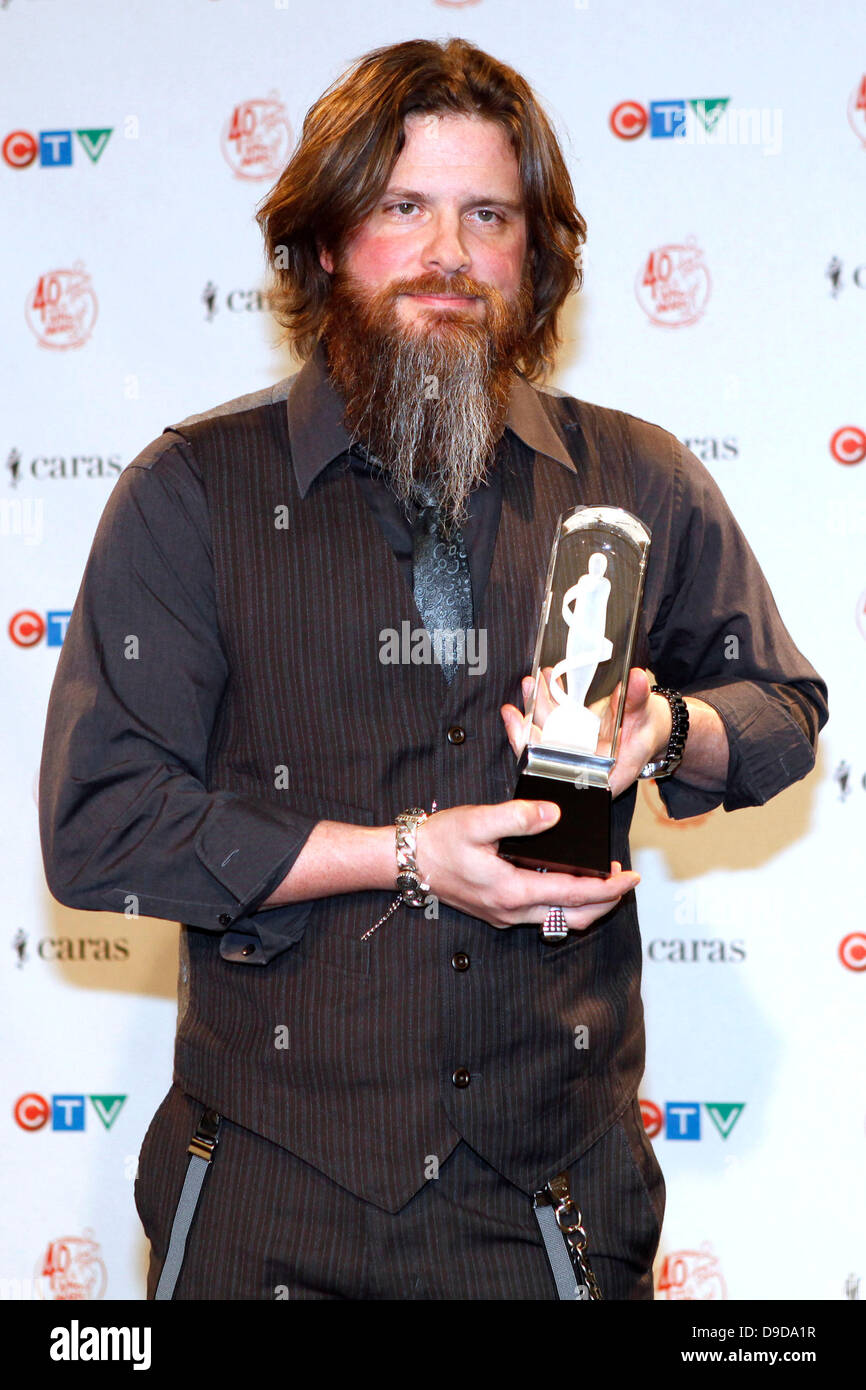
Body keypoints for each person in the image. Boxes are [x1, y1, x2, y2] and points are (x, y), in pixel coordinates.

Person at [38, 37, 827, 1301]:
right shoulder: (192, 491)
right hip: (262, 1194)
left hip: (549, 1204)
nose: (446, 253)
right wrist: (406, 854)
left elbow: (780, 714)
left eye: (486, 214)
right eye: (402, 208)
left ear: (536, 255)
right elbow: (103, 829)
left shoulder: (637, 477)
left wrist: (667, 726)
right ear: (330, 242)